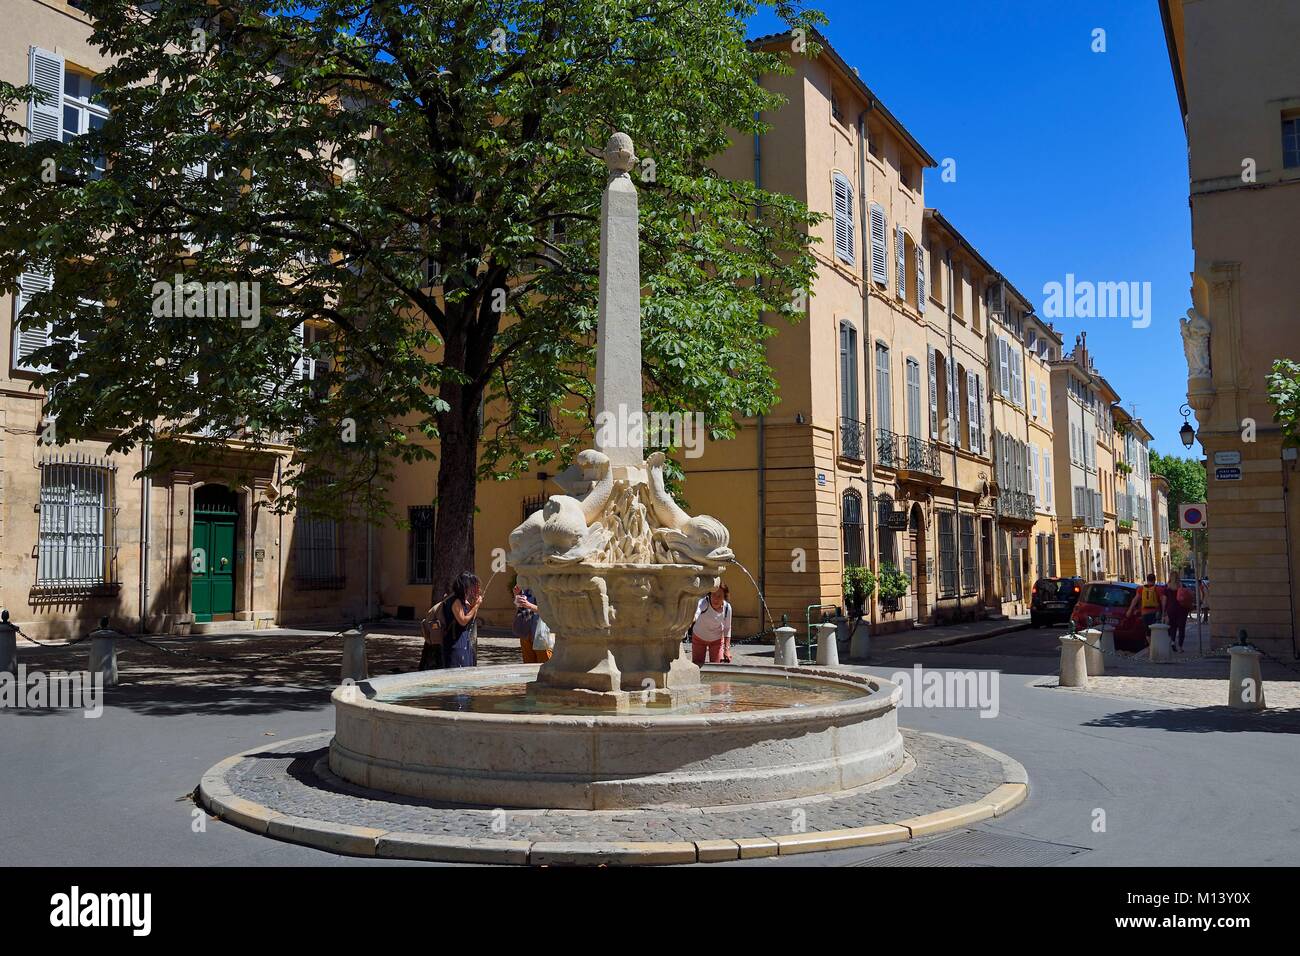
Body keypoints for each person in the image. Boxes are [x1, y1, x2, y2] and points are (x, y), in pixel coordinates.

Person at [442, 571, 482, 668]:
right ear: (465, 586)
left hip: (463, 642)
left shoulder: (463, 601)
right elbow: (463, 621)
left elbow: (470, 619)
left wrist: (474, 605)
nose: (474, 589)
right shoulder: (455, 601)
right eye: (472, 586)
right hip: (455, 644)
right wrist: (476, 605)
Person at [691, 584, 732, 665]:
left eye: (719, 596)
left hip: (717, 641)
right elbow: (697, 612)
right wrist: (692, 619)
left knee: (717, 668)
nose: (716, 599)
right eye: (713, 595)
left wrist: (727, 650)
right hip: (699, 637)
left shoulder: (727, 608)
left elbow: (727, 628)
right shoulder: (704, 602)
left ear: (724, 597)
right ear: (710, 594)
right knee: (697, 666)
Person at [511, 584, 553, 664]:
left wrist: (529, 605)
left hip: (542, 634)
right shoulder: (527, 587)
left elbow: (549, 611)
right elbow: (521, 608)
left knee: (545, 665)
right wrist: (517, 594)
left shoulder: (548, 586)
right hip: (526, 632)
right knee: (528, 666)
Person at [1165, 576, 1192, 652]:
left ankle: (1173, 642)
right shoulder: (1182, 586)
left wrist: (1164, 610)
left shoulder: (1167, 587)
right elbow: (1187, 596)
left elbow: (1164, 599)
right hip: (1182, 609)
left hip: (1171, 609)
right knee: (1181, 628)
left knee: (1173, 626)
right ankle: (1180, 647)